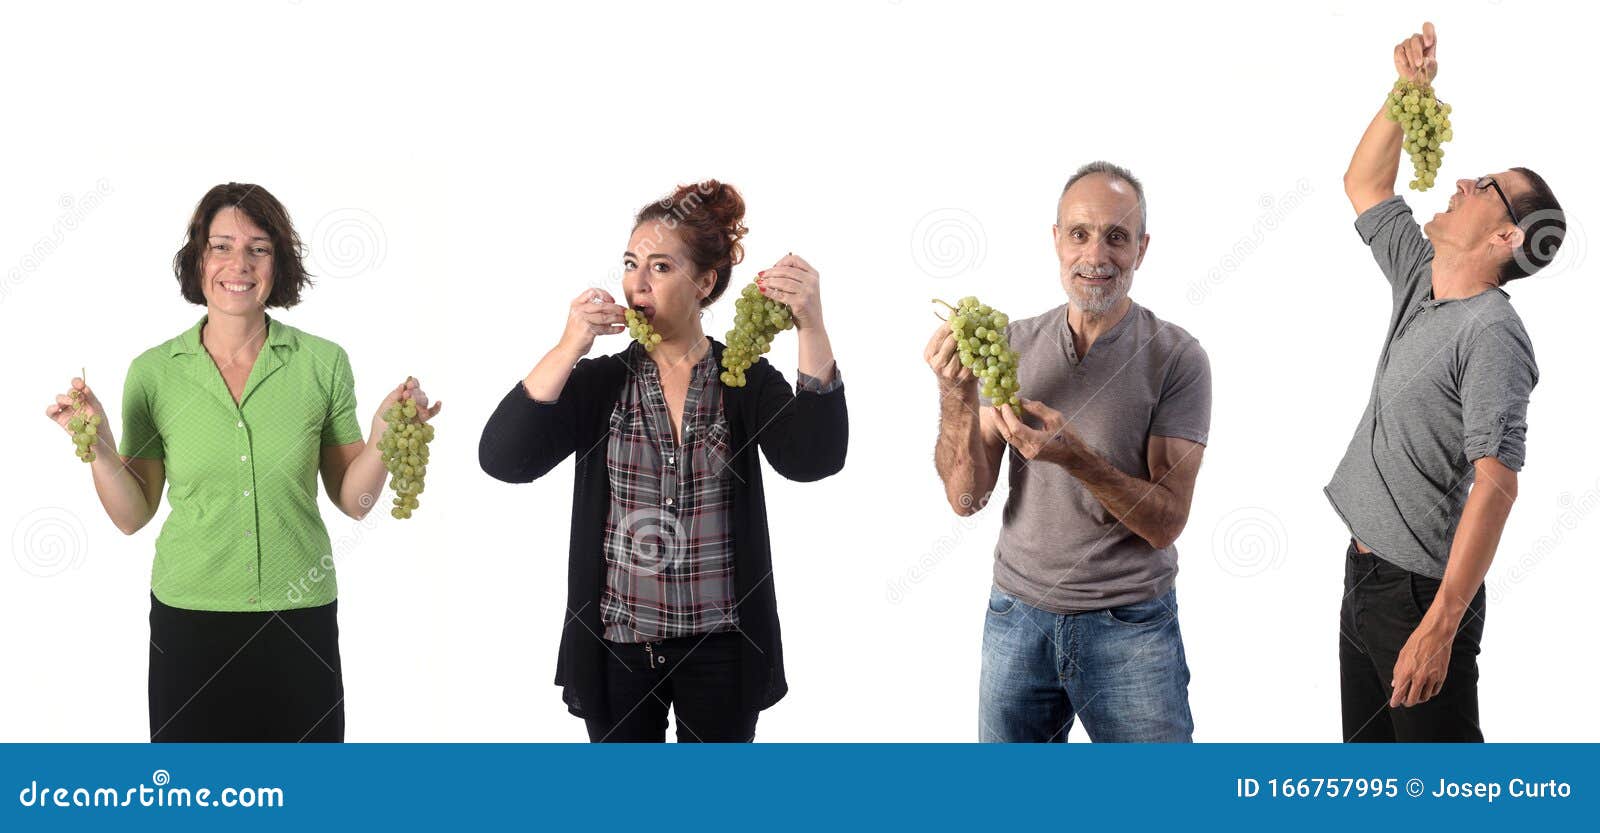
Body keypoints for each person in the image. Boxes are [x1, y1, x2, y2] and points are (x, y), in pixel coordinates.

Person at [43, 182, 440, 742]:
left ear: (279, 263)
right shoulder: (154, 372)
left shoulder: (323, 363)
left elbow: (357, 502)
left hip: (298, 615)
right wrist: (100, 445)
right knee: (197, 798)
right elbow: (132, 515)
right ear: (197, 259)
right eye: (221, 245)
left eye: (259, 247)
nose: (239, 264)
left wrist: (382, 434)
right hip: (189, 619)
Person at [479, 180, 847, 742]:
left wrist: (811, 326)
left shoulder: (741, 379)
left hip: (723, 647)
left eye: (660, 267)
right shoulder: (600, 383)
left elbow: (814, 459)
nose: (636, 282)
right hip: (618, 646)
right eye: (631, 264)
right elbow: (503, 458)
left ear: (705, 282)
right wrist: (568, 346)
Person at [1330, 22, 1565, 742]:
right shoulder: (1420, 278)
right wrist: (1409, 92)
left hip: (1418, 596)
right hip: (1364, 578)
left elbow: (1496, 484)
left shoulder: (1491, 331)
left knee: (1450, 800)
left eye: (1486, 187)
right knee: (1372, 795)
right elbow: (1365, 182)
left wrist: (1439, 626)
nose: (1462, 179)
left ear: (1506, 240)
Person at [927, 161, 1211, 742]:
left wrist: (1075, 457)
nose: (1096, 255)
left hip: (1130, 626)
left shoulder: (1177, 358)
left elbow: (1166, 523)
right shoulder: (1011, 344)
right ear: (1056, 240)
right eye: (1079, 233)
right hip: (1016, 618)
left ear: (1142, 248)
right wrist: (955, 396)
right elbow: (965, 498)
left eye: (1117, 236)